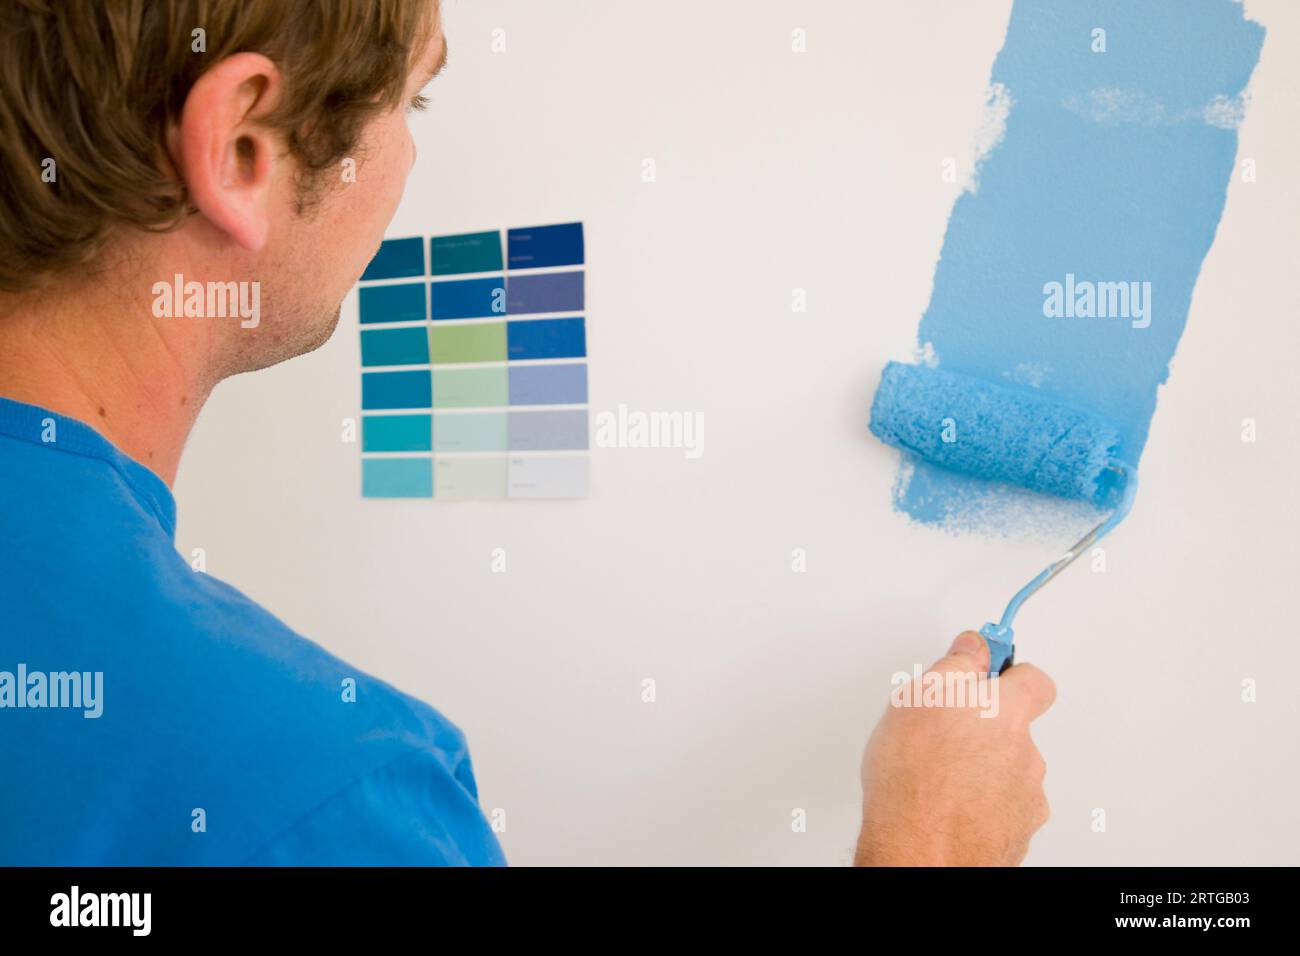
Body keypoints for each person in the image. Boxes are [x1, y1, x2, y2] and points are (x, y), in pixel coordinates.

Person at [0, 0, 1055, 866]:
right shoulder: (316, 797)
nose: (410, 161)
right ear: (240, 147)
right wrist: (934, 844)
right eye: (413, 96)